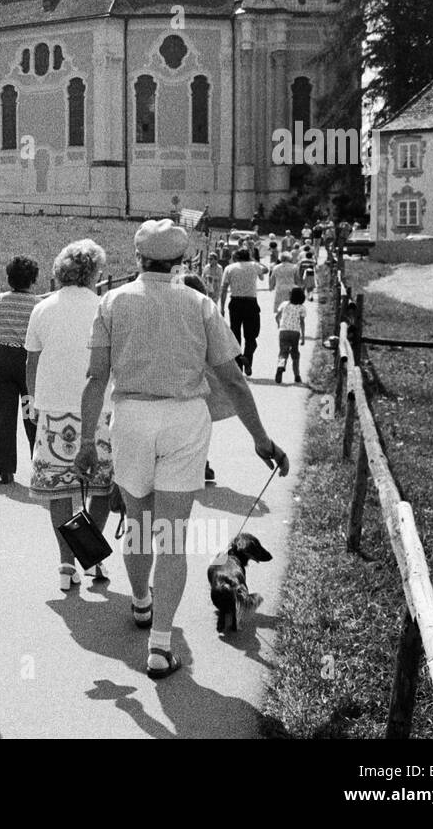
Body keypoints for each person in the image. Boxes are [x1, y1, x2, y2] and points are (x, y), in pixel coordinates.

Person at [75, 220, 289, 679]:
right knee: (171, 535)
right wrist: (260, 438)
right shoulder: (199, 303)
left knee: (138, 522)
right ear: (183, 261)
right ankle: (160, 646)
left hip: (130, 417)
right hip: (185, 422)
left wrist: (88, 438)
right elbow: (232, 379)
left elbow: (96, 378)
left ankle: (140, 602)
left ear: (137, 259)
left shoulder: (112, 301)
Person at [24, 239, 115, 591]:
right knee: (100, 485)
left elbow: (32, 358)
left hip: (53, 407)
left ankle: (66, 563)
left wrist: (32, 400)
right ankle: (92, 555)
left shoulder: (43, 308)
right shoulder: (104, 306)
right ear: (94, 271)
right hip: (98, 407)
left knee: (59, 488)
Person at [0, 257, 41, 483]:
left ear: (9, 278)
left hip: (4, 359)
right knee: (31, 413)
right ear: (33, 279)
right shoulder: (38, 304)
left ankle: (3, 468)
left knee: (3, 414)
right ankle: (38, 465)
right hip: (28, 361)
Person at [180, 272, 235, 484]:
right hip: (201, 379)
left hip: (177, 379)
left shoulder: (169, 312)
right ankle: (201, 464)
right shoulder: (206, 312)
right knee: (200, 426)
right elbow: (224, 349)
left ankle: (193, 464)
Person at [219, 247, 267, 375]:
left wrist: (222, 307)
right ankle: (247, 358)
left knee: (235, 335)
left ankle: (239, 366)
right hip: (250, 303)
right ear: (248, 256)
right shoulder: (254, 265)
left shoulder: (230, 268)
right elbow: (266, 269)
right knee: (251, 336)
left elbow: (223, 289)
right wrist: (253, 260)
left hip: (235, 302)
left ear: (237, 257)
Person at [274, 286, 307, 383]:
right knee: (295, 354)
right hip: (295, 333)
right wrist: (303, 337)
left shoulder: (284, 304)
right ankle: (297, 375)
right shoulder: (301, 308)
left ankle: (280, 366)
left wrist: (278, 324)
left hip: (283, 331)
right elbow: (302, 322)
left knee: (283, 352)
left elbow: (277, 316)